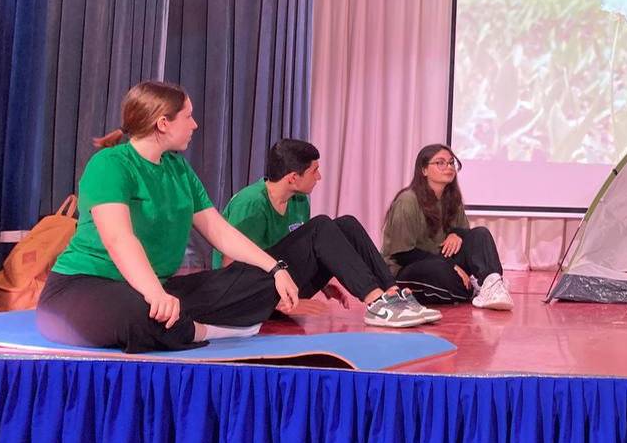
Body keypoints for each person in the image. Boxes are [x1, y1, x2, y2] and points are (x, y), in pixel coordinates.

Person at [36, 82, 295, 353]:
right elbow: (119, 239)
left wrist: (274, 268)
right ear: (163, 123)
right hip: (84, 285)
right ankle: (203, 331)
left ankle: (179, 322)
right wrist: (156, 294)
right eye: (188, 116)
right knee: (142, 314)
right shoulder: (110, 164)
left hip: (155, 285)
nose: (194, 124)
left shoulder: (177, 167)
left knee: (261, 282)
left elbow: (218, 230)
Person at [214, 139, 440, 328]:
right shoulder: (251, 203)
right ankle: (375, 302)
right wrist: (278, 303)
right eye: (314, 171)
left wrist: (323, 282)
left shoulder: (299, 200)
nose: (319, 177)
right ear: (293, 177)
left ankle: (392, 295)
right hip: (250, 297)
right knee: (321, 225)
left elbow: (298, 249)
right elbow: (230, 269)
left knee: (346, 224)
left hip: (284, 285)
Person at [381, 144, 513, 310]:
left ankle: (491, 284)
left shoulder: (452, 198)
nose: (449, 167)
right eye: (440, 163)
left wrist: (456, 234)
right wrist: (451, 265)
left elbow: (465, 235)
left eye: (451, 163)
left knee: (480, 234)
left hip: (442, 259)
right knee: (440, 271)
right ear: (424, 170)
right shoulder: (407, 200)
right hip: (406, 268)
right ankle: (474, 289)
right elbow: (403, 254)